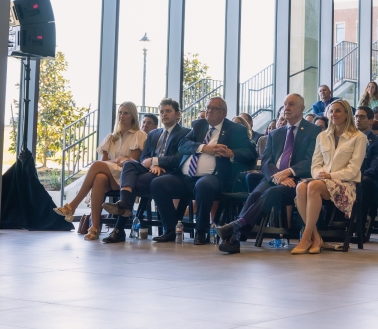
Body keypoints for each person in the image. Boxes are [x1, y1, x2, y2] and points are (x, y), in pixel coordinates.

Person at [213, 94, 320, 253]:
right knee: (256, 194)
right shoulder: (275, 133)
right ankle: (234, 237)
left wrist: (287, 172)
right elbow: (266, 161)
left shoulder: (313, 130)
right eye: (285, 104)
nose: (286, 108)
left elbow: (310, 160)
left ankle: (236, 229)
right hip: (274, 177)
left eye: (291, 104)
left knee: (270, 193)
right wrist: (277, 176)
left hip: (297, 181)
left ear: (302, 108)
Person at [150, 97, 257, 244]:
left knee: (204, 185)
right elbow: (183, 145)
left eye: (214, 108)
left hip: (213, 177)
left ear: (223, 113)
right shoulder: (199, 125)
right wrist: (204, 148)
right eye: (207, 108)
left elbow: (251, 153)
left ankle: (201, 232)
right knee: (158, 184)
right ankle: (170, 230)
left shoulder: (236, 129)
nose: (209, 111)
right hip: (185, 176)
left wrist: (231, 153)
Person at [53, 102, 147, 241]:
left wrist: (118, 161)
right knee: (99, 178)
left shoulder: (139, 135)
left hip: (126, 177)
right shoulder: (111, 137)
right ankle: (94, 228)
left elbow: (131, 162)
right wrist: (117, 160)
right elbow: (104, 163)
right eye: (120, 112)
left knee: (97, 165)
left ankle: (73, 205)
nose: (121, 116)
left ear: (133, 116)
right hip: (110, 175)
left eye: (126, 113)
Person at [102, 99, 187, 243]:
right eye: (161, 111)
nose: (164, 114)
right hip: (151, 170)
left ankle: (119, 228)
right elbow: (144, 156)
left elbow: (177, 159)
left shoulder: (185, 133)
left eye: (168, 111)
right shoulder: (153, 134)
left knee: (135, 182)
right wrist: (152, 165)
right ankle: (124, 202)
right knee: (129, 164)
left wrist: (155, 161)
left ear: (177, 114)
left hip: (170, 173)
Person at [293, 99, 367, 254]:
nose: (334, 114)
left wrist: (330, 175)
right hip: (322, 180)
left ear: (347, 114)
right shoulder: (322, 136)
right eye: (331, 111)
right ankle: (315, 238)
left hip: (346, 183)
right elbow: (315, 164)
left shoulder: (358, 137)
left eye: (338, 111)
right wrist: (320, 175)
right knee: (300, 187)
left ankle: (306, 238)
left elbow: (353, 169)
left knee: (313, 186)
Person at [353, 106, 378, 234]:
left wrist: (354, 176)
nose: (358, 119)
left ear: (370, 120)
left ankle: (359, 228)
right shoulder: (347, 139)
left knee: (364, 182)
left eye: (362, 117)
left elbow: (375, 168)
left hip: (368, 179)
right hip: (348, 175)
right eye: (356, 116)